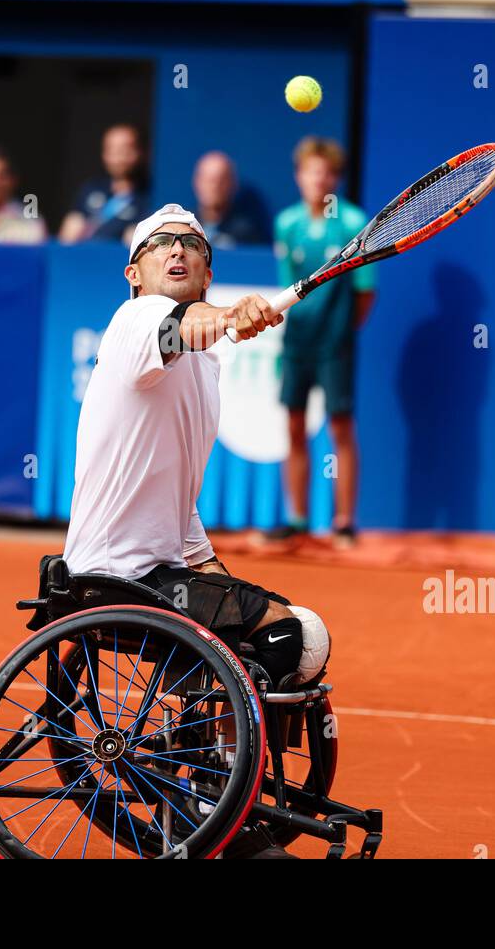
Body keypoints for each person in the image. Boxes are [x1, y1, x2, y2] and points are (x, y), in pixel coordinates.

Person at [61, 202, 319, 858]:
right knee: (284, 635)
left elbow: (179, 500)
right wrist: (231, 316)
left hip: (162, 570)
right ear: (134, 272)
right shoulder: (138, 321)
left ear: (207, 270)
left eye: (192, 244)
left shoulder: (203, 369)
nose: (176, 250)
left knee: (301, 638)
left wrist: (213, 571)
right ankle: (215, 808)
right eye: (160, 244)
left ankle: (217, 784)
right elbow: (185, 325)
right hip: (118, 574)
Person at [270, 137, 375, 549]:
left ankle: (344, 523)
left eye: (327, 172)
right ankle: (297, 521)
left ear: (336, 178)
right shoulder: (286, 223)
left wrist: (340, 333)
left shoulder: (352, 223)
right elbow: (286, 289)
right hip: (296, 344)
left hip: (335, 345)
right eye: (311, 171)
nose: (318, 179)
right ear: (299, 176)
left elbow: (365, 291)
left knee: (340, 429)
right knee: (293, 427)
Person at [58, 124, 151, 244]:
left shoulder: (148, 196)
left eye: (125, 150)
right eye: (111, 150)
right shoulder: (91, 189)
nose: (118, 157)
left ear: (141, 152)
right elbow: (68, 235)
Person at [192, 151, 269, 248]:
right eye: (209, 180)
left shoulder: (247, 233)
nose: (214, 187)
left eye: (221, 181)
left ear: (233, 184)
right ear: (196, 182)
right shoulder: (182, 226)